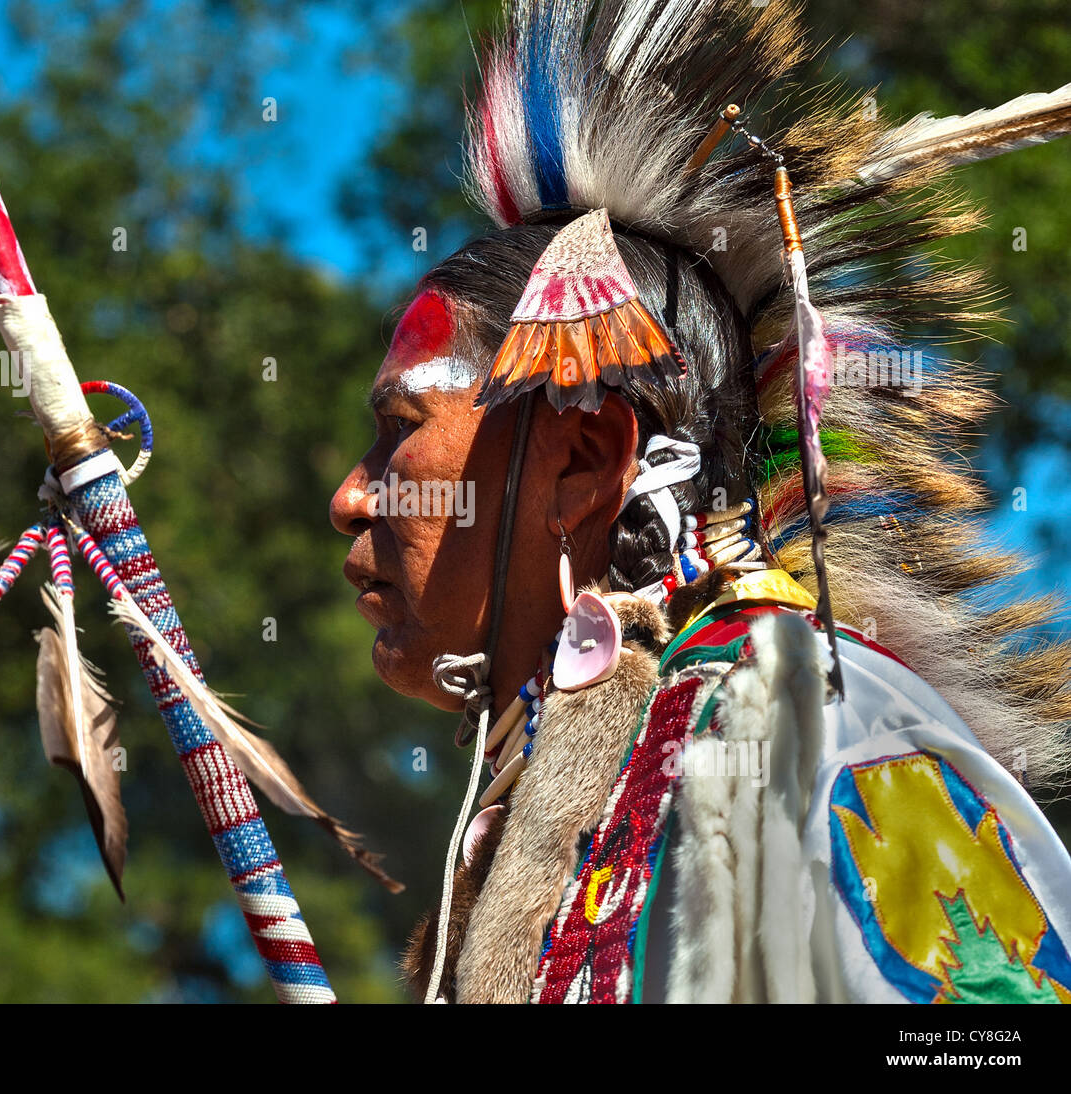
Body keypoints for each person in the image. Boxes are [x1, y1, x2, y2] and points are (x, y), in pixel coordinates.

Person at [330, 0, 1071, 1003]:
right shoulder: (517, 823)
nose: (349, 495)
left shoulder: (793, 709)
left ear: (584, 458)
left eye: (398, 431)